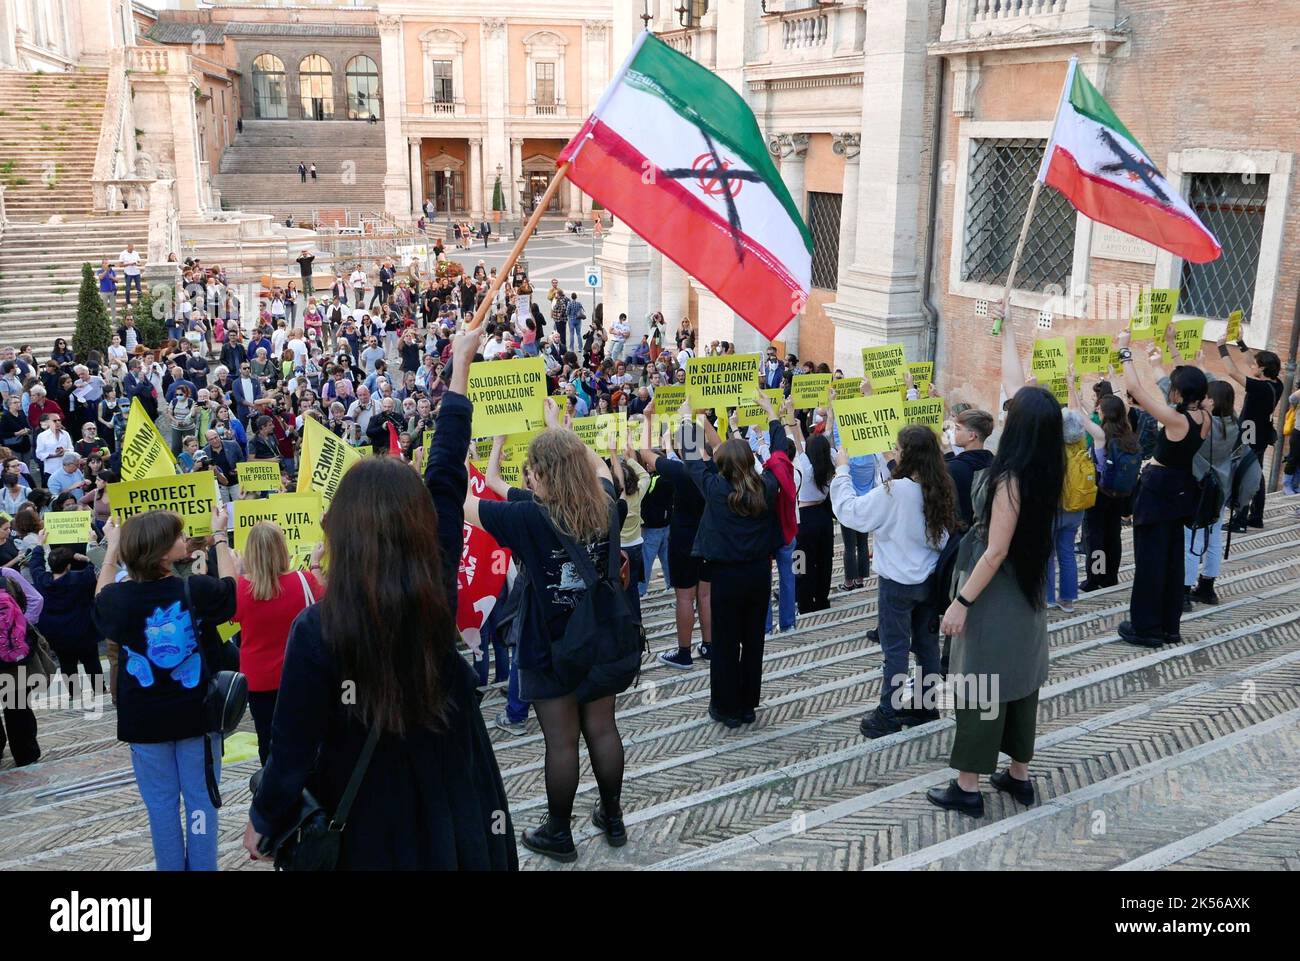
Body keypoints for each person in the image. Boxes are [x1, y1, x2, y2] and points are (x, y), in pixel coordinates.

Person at [245, 329, 514, 870]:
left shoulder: (317, 628)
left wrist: (264, 819)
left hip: (367, 822)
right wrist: (460, 367)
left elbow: (290, 752)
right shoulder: (434, 581)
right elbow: (443, 475)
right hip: (451, 800)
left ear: (343, 529)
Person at [465, 399, 634, 863]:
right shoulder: (606, 503)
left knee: (561, 742)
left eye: (531, 472)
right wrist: (562, 429)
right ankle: (613, 817)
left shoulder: (528, 519)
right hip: (600, 638)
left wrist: (455, 458)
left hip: (549, 647)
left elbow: (463, 505)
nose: (527, 480)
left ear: (541, 475)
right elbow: (597, 464)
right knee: (602, 728)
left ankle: (560, 831)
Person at [930, 386, 1064, 816]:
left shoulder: (1009, 478)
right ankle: (1019, 775)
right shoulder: (1048, 467)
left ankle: (968, 787)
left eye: (1011, 410)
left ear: (1019, 424)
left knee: (979, 684)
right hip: (1029, 592)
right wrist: (1006, 326)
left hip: (996, 592)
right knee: (1022, 683)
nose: (1003, 412)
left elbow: (996, 549)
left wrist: (962, 602)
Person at [92, 507, 238, 871]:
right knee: (201, 802)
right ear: (160, 553)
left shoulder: (119, 599)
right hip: (196, 719)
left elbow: (101, 598)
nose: (183, 538)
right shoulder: (195, 588)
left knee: (160, 808)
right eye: (176, 535)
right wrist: (221, 537)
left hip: (145, 723)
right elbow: (233, 592)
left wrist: (112, 549)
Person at [832, 424, 955, 737]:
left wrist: (843, 472)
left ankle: (889, 711)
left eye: (898, 450)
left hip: (897, 584)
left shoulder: (895, 491)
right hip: (928, 580)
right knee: (927, 647)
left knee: (896, 649)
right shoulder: (940, 486)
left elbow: (852, 512)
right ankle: (927, 707)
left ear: (908, 456)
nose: (895, 454)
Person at [683, 392, 783, 727]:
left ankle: (725, 707)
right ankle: (747, 705)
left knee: (725, 642)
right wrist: (771, 414)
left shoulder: (714, 489)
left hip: (725, 577)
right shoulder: (767, 486)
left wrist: (687, 420)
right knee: (753, 640)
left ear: (723, 466)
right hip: (758, 575)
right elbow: (781, 454)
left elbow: (691, 460)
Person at [1114, 331, 1209, 648]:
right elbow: (1186, 378)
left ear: (1181, 393)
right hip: (1180, 492)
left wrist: (1124, 351)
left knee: (1150, 562)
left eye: (1175, 388)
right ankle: (1169, 626)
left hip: (1158, 495)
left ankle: (1145, 628)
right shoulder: (1204, 416)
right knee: (1171, 561)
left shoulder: (1175, 420)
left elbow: (1136, 390)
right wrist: (1171, 347)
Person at [231, 522, 322, 764]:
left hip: (259, 680)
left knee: (267, 740)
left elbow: (228, 616)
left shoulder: (241, 589)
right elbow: (325, 605)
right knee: (306, 737)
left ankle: (272, 789)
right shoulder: (305, 580)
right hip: (299, 674)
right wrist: (315, 563)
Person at [1217, 338, 1283, 530]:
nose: (1251, 365)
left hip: (1249, 434)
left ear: (1262, 369)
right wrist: (1240, 342)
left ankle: (1240, 520)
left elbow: (1232, 372)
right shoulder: (1276, 384)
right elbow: (1250, 361)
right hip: (1260, 434)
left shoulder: (1259, 387)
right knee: (1256, 474)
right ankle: (1256, 516)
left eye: (1256, 365)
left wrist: (1222, 347)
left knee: (1243, 473)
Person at [1184, 379, 1239, 608]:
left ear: (1212, 401)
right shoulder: (1234, 424)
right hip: (1221, 490)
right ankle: (1207, 586)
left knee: (1190, 541)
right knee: (1214, 539)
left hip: (1199, 489)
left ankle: (1183, 591)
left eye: (1206, 397)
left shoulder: (1206, 427)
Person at [1080, 394, 1141, 591]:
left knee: (1094, 536)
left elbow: (1079, 416)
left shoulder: (1100, 435)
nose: (1097, 410)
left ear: (1105, 413)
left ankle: (1095, 577)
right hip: (1120, 493)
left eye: (1099, 409)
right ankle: (1110, 577)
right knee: (1113, 535)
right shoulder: (1129, 433)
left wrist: (1072, 388)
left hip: (1099, 492)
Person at [1045, 408, 1102, 614]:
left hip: (1056, 509)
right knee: (1067, 553)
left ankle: (1048, 597)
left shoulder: (1053, 452)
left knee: (1048, 554)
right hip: (1077, 509)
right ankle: (1067, 600)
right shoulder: (1083, 449)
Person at [790, 413, 835, 614]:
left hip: (805, 519)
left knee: (800, 560)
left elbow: (799, 444)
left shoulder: (806, 467)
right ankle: (822, 599)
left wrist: (792, 420)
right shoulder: (831, 461)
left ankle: (804, 600)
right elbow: (829, 434)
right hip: (824, 518)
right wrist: (831, 411)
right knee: (825, 559)